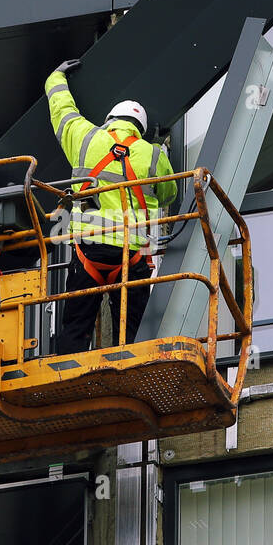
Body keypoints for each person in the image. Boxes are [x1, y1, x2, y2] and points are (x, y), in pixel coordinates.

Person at [46, 59, 178, 353]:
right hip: (132, 255)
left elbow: (62, 111)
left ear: (109, 118)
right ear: (140, 129)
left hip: (88, 250)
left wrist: (55, 78)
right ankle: (127, 371)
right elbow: (169, 194)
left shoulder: (85, 137)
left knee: (76, 326)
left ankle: (68, 369)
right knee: (130, 331)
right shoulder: (153, 154)